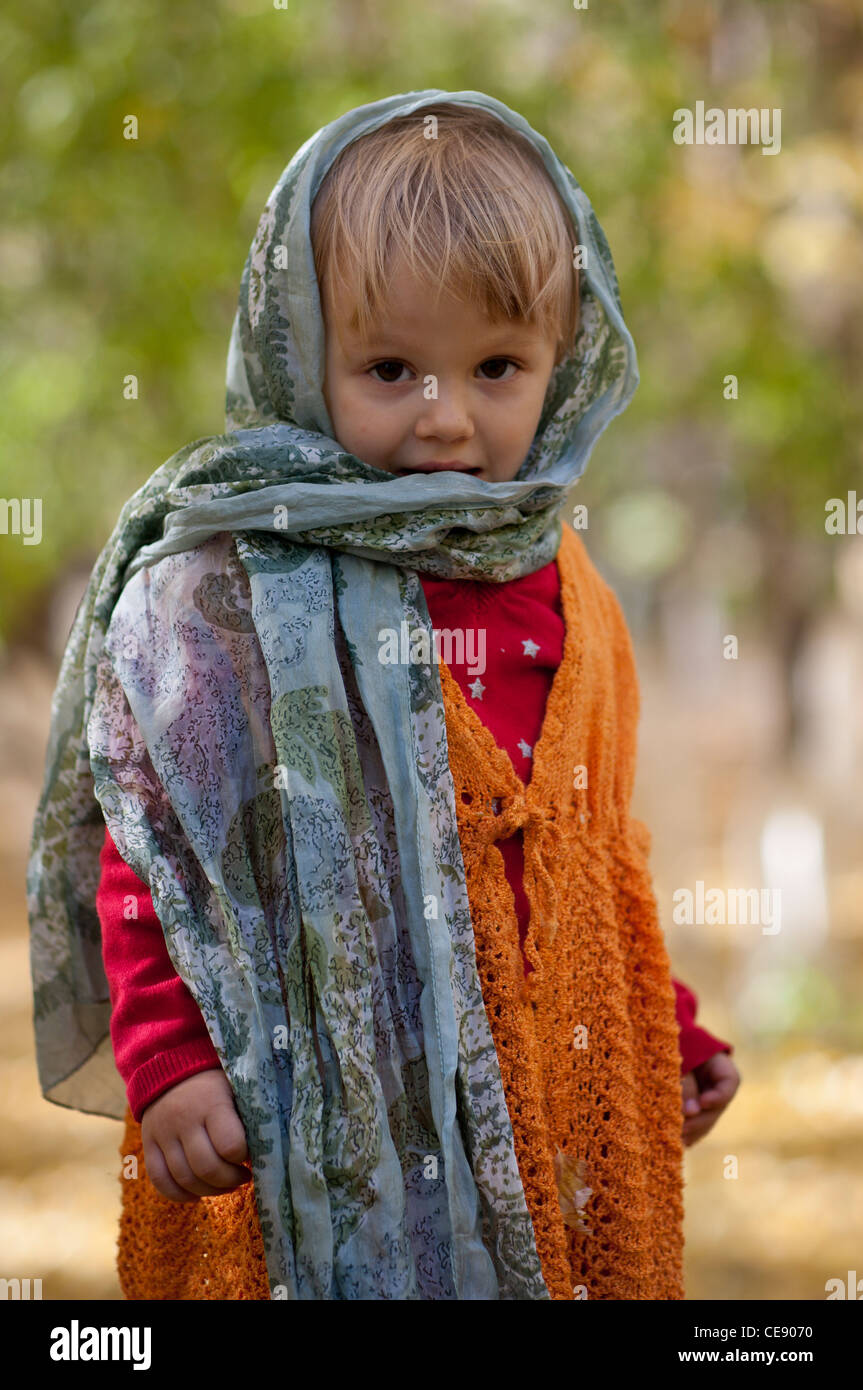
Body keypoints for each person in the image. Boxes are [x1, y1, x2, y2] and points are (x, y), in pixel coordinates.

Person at [27, 90, 739, 1302]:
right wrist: (169, 1055)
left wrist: (659, 1020)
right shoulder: (236, 591)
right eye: (389, 367)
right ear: (304, 356)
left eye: (495, 366)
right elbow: (164, 844)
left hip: (540, 1127)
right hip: (301, 1119)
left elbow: (583, 860)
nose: (443, 416)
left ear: (563, 364)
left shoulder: (569, 589)